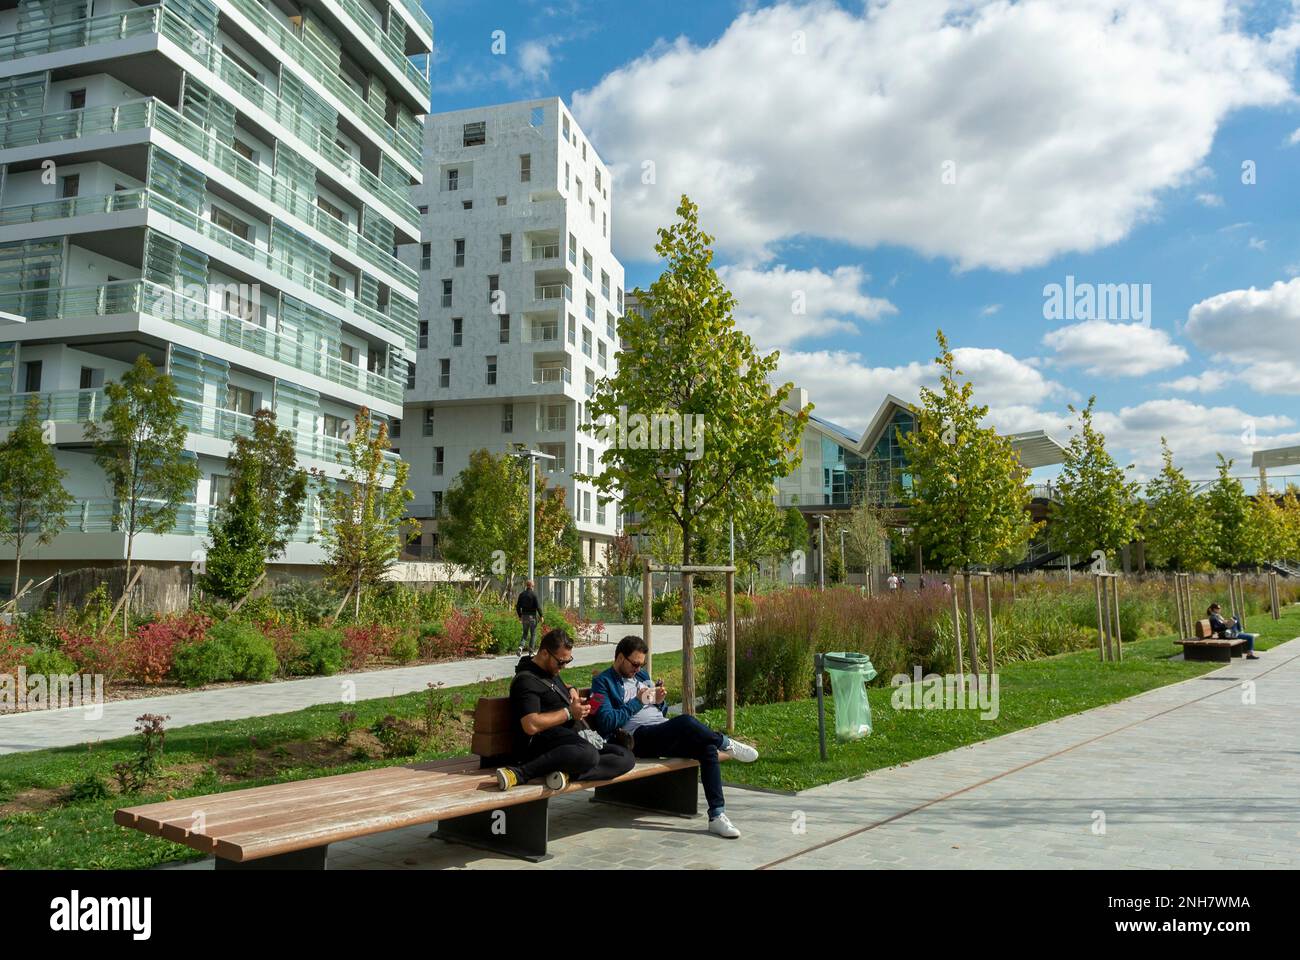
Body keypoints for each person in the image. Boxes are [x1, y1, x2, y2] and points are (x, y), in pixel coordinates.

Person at [590, 635, 759, 840]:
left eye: (641, 664)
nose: (637, 669)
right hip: (637, 738)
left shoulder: (642, 677)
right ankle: (725, 743)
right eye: (635, 664)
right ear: (619, 658)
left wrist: (659, 701)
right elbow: (607, 722)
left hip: (660, 729)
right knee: (686, 721)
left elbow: (656, 710)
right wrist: (638, 701)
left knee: (705, 748)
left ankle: (717, 815)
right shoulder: (603, 682)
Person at [495, 628, 635, 791]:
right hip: (545, 744)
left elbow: (560, 687)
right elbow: (530, 725)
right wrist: (569, 712)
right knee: (588, 754)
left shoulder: (549, 671)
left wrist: (572, 690)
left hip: (570, 740)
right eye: (561, 662)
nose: (564, 667)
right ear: (545, 653)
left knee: (626, 757)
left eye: (568, 661)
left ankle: (566, 775)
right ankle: (520, 774)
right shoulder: (526, 682)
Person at [515, 579, 542, 656]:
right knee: (533, 634)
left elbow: (518, 607)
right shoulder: (534, 595)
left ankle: (520, 647)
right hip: (532, 617)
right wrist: (541, 615)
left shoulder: (521, 594)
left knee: (525, 633)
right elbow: (538, 607)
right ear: (532, 586)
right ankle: (531, 651)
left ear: (526, 585)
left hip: (524, 616)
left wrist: (520, 616)